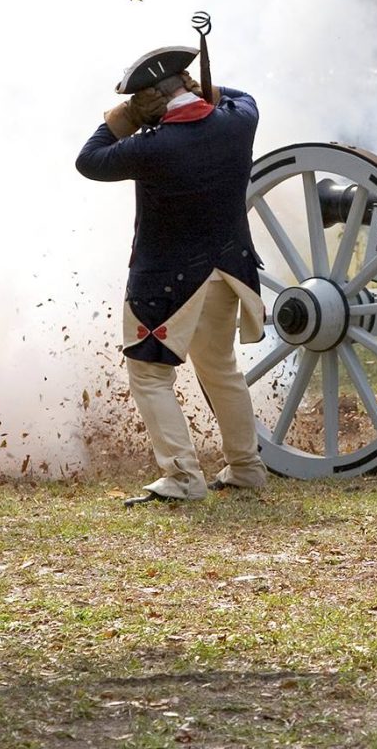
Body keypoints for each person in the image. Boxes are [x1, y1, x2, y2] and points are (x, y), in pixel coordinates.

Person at [75, 45, 271, 505]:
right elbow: (244, 97)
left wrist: (125, 115)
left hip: (167, 281)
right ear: (188, 84)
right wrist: (202, 88)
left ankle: (183, 477)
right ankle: (246, 467)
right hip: (230, 268)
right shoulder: (239, 122)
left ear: (150, 101)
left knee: (148, 374)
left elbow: (89, 159)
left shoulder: (152, 146)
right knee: (220, 369)